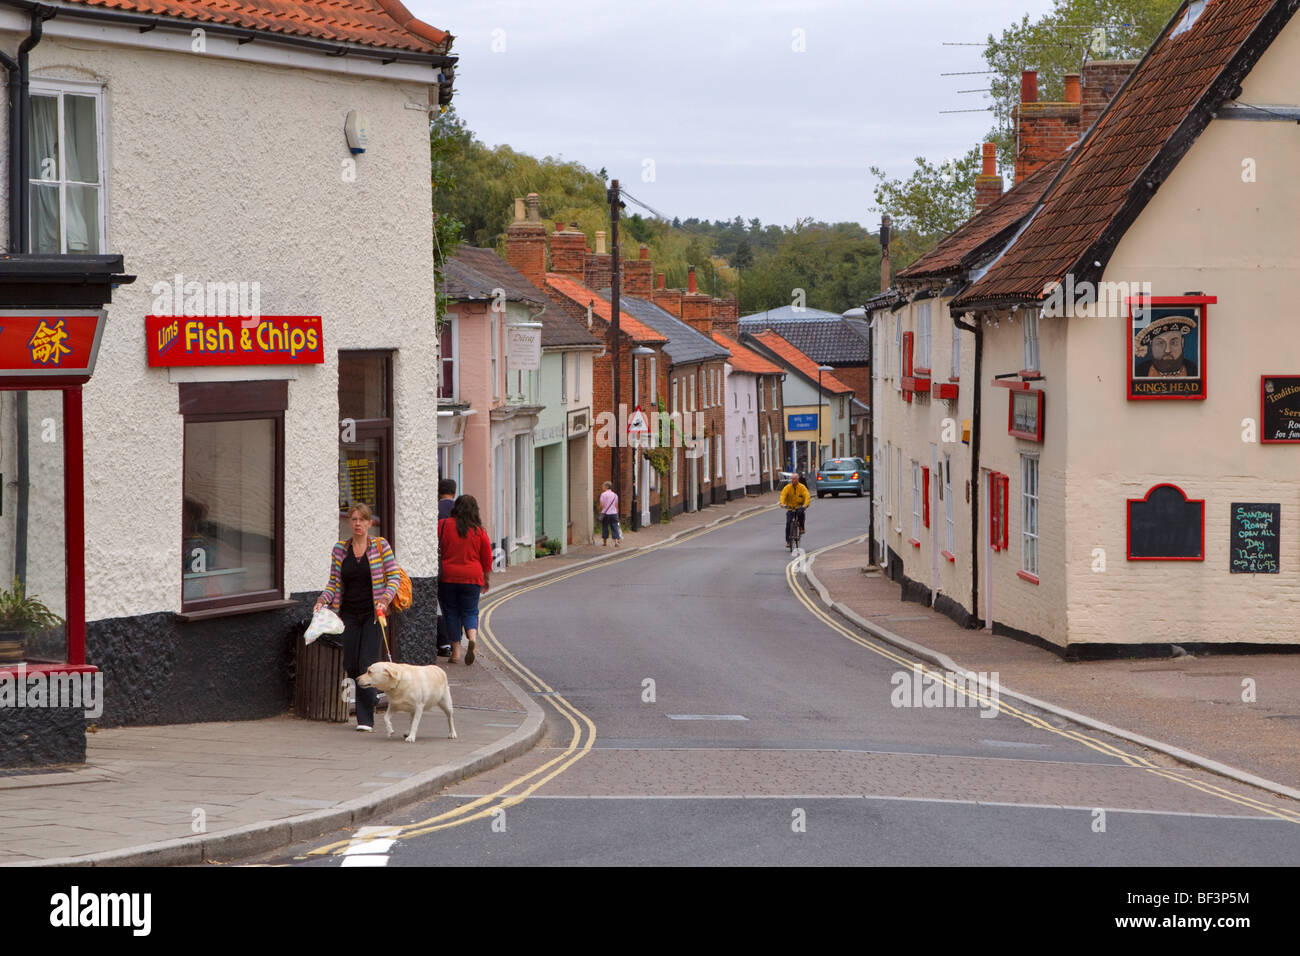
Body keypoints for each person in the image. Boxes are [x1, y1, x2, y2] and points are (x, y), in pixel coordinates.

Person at [315, 503, 401, 732]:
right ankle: (371, 695)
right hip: (349, 614)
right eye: (353, 519)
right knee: (351, 663)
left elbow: (394, 577)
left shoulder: (380, 546)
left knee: (366, 664)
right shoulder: (340, 550)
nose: (357, 524)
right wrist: (322, 600)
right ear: (349, 522)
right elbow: (334, 583)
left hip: (374, 615)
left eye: (362, 519)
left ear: (370, 523)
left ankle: (365, 719)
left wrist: (385, 599)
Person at [438, 495, 492, 665]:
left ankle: (455, 653)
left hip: (448, 576)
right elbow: (487, 558)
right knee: (470, 611)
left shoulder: (443, 525)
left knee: (451, 613)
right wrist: (486, 578)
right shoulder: (479, 531)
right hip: (472, 576)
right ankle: (472, 638)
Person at [435, 478, 457, 658]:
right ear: (454, 492)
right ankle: (455, 640)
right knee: (457, 606)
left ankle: (444, 643)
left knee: (441, 605)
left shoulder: (434, 509)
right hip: (463, 564)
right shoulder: (462, 510)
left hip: (441, 563)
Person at [780, 471, 810, 548]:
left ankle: (802, 527)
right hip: (790, 507)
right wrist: (782, 503)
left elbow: (807, 496)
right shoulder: (787, 488)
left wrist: (805, 505)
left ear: (797, 479)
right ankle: (788, 541)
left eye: (794, 479)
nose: (793, 480)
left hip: (799, 507)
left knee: (800, 513)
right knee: (788, 523)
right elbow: (783, 495)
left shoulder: (802, 487)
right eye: (792, 479)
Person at [598, 481, 622, 547]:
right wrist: (617, 513)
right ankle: (616, 542)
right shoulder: (615, 495)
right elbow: (616, 506)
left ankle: (604, 542)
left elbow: (602, 505)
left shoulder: (603, 494)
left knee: (605, 527)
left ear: (607, 487)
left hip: (605, 514)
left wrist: (601, 509)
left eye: (603, 486)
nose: (602, 487)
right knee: (615, 527)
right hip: (614, 513)